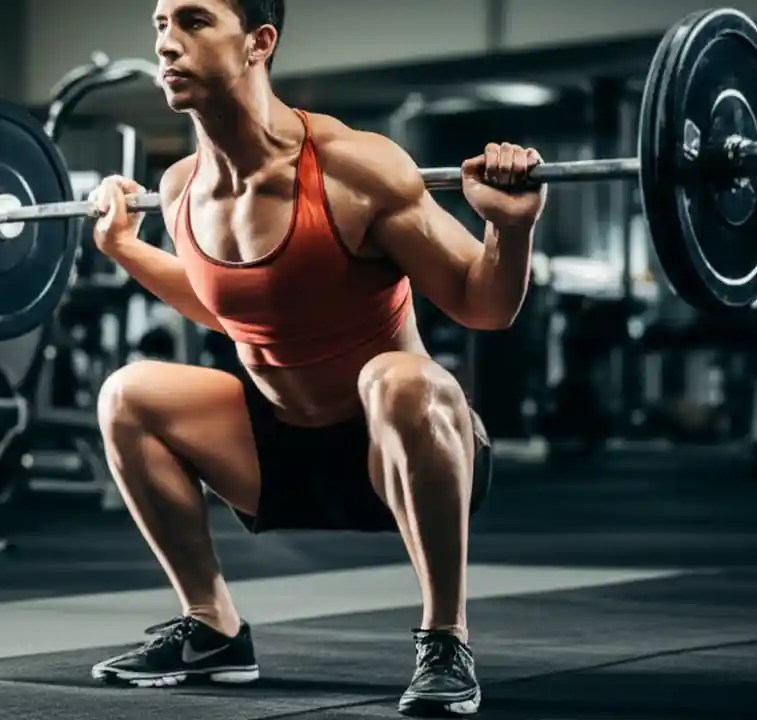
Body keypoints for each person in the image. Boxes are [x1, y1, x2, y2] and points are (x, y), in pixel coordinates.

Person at [87, 0, 546, 716]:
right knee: (127, 394)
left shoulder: (355, 169)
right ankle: (212, 629)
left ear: (258, 43)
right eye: (160, 25)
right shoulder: (180, 189)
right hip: (280, 457)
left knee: (397, 379)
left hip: (402, 451)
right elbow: (238, 307)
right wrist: (124, 248)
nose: (167, 44)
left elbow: (483, 306)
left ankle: (445, 640)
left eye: (194, 22)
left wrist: (509, 233)